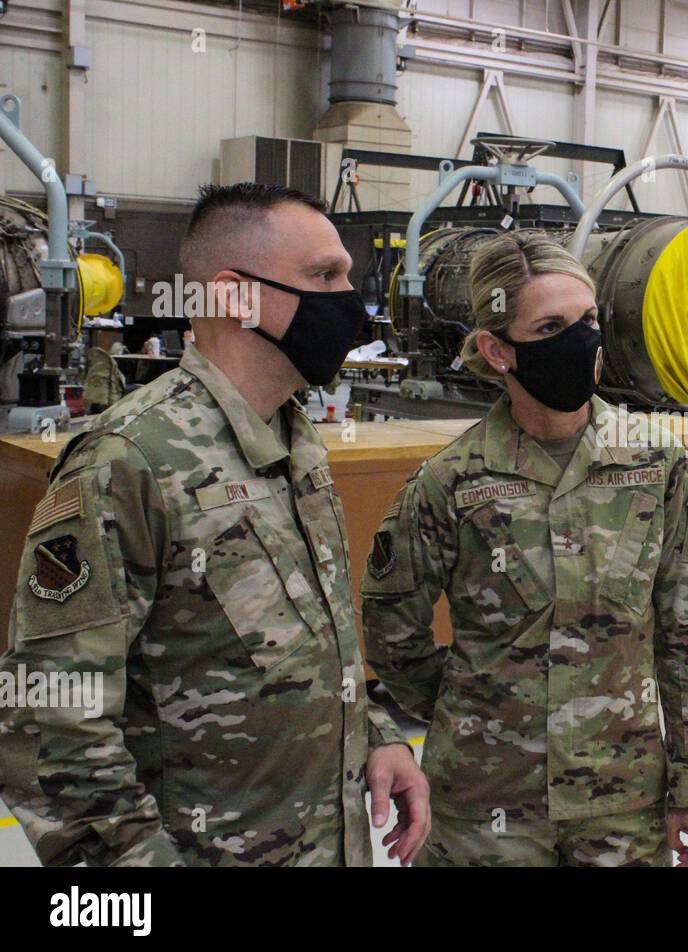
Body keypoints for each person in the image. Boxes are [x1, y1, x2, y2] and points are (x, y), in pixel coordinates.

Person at [0, 183, 428, 866]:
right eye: (323, 276)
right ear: (235, 295)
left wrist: (377, 734)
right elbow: (49, 716)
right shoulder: (130, 459)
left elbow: (314, 638)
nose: (350, 303)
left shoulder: (296, 439)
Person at [361, 232, 688, 867]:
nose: (581, 341)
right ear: (497, 350)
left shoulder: (656, 462)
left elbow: (686, 632)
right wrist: (477, 710)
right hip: (486, 805)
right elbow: (392, 633)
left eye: (588, 320)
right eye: (552, 326)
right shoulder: (451, 481)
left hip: (623, 800)